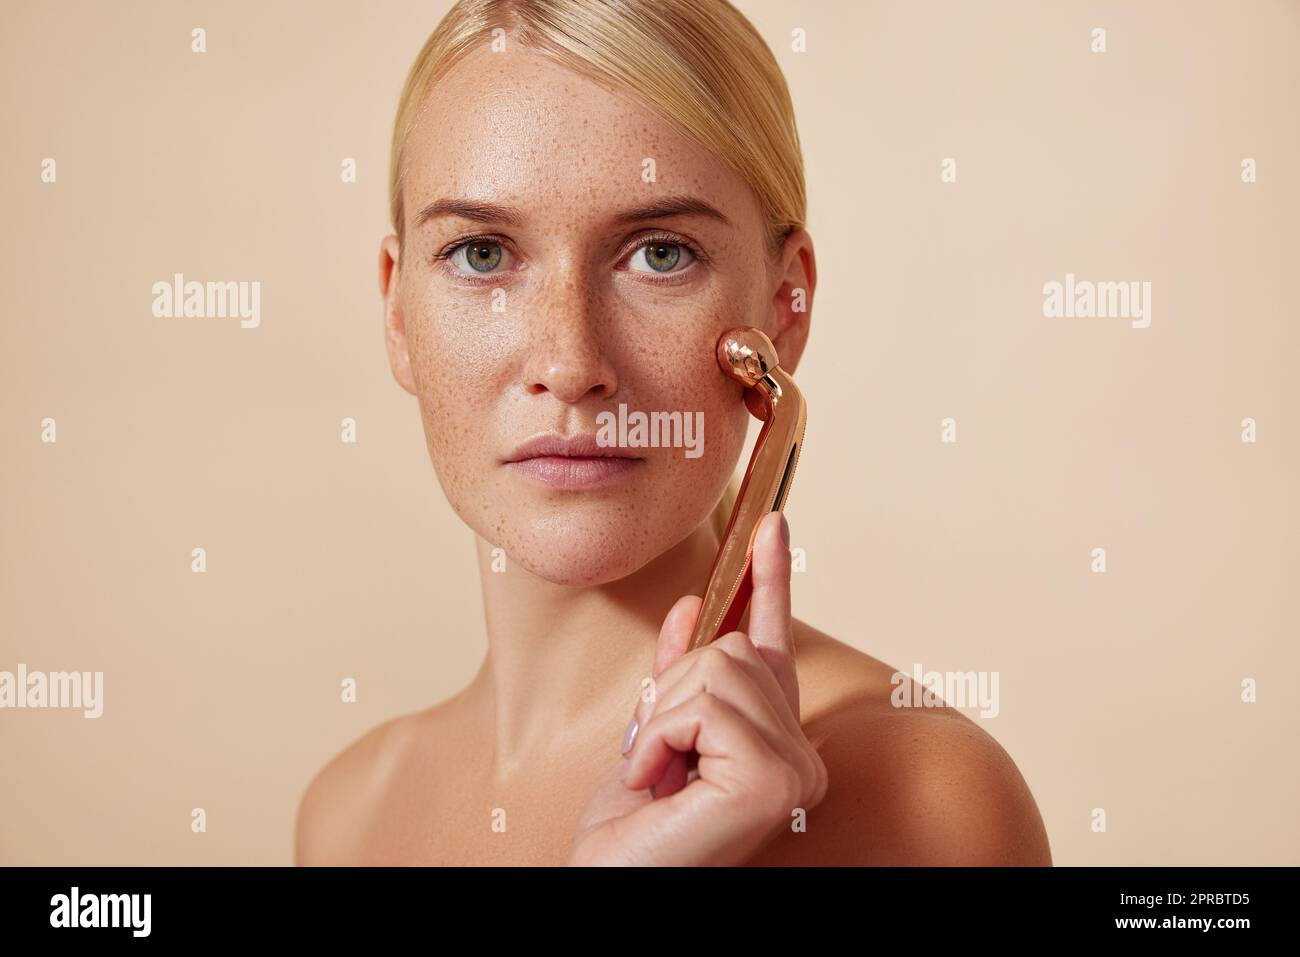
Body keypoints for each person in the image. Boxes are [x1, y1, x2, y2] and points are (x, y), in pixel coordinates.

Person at [295, 0, 1051, 866]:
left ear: (783, 306)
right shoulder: (349, 815)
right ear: (397, 312)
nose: (570, 362)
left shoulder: (923, 801)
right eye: (482, 254)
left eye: (660, 253)